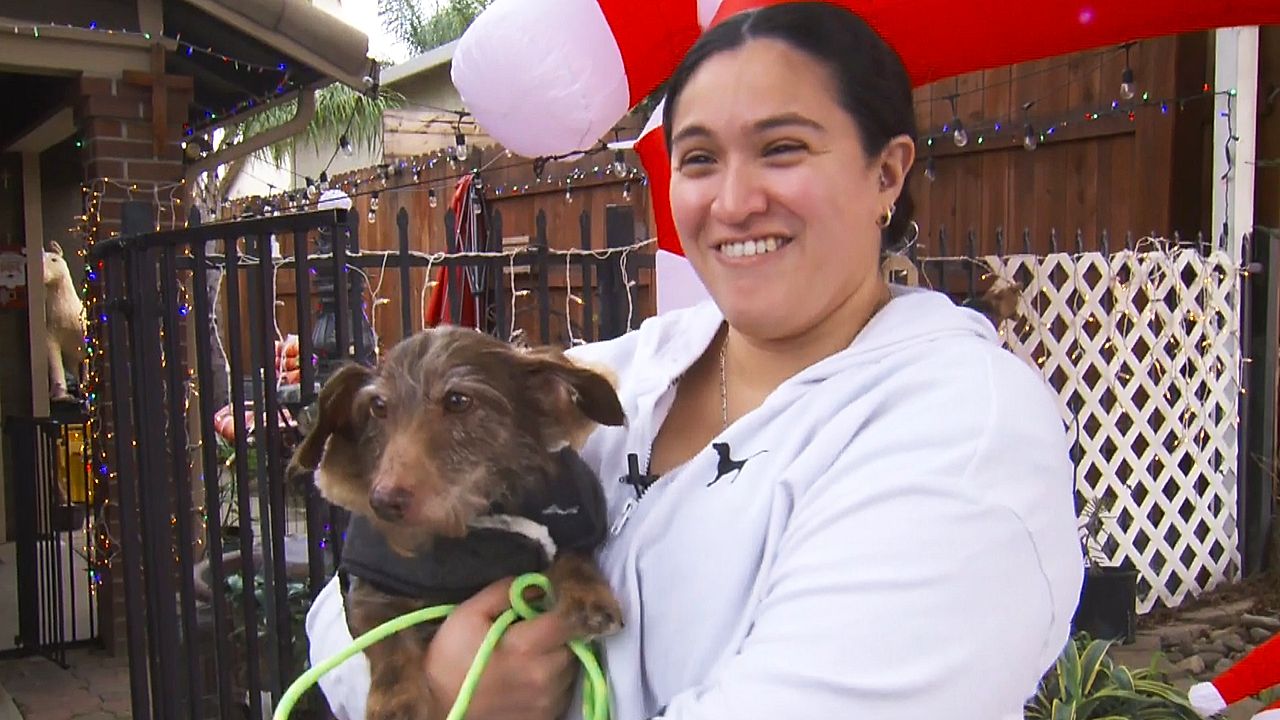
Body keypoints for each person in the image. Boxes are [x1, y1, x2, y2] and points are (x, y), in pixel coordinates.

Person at [304, 3, 1085, 718]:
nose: (734, 201)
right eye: (700, 158)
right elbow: (339, 608)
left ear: (886, 173)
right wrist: (433, 687)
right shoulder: (622, 372)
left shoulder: (963, 430)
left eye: (783, 148)